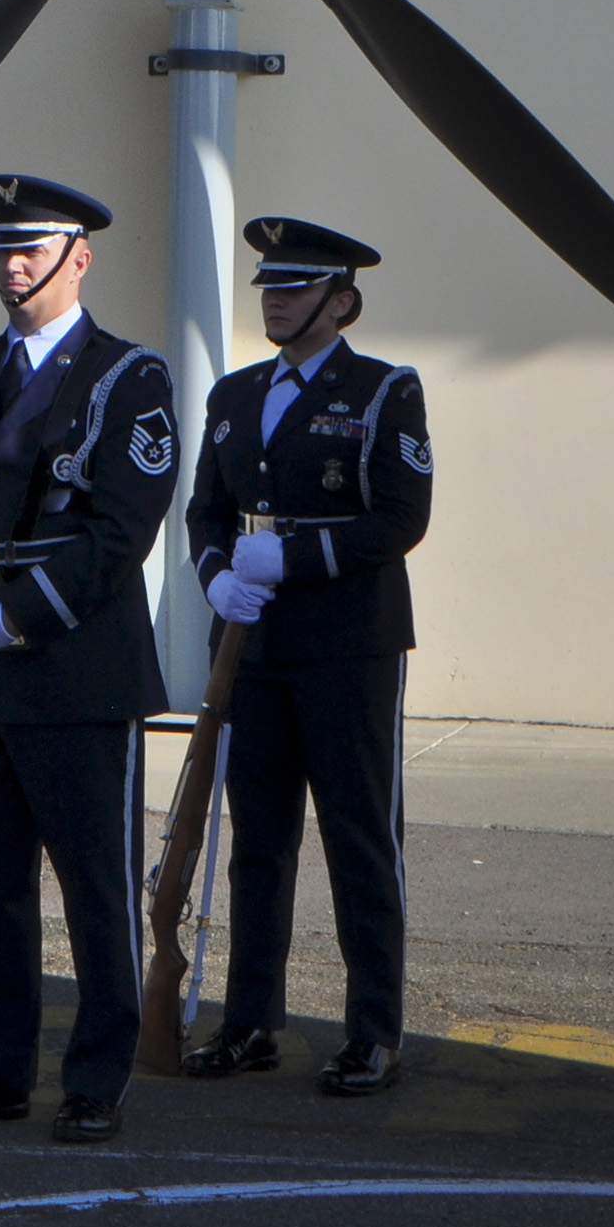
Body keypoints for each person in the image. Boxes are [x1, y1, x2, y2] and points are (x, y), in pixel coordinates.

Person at [0, 175, 177, 1146]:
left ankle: (97, 1076)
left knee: (94, 885)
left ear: (81, 257)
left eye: (33, 248)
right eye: (2, 248)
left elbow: (118, 533)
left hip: (72, 667)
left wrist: (17, 616)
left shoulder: (127, 377)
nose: (14, 264)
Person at [182, 217, 433, 1099]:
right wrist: (216, 578)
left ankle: (375, 1032)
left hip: (346, 645)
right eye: (269, 285)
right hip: (252, 645)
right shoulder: (234, 393)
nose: (276, 298)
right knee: (259, 838)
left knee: (361, 840)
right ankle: (251, 1018)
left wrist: (294, 556)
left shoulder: (383, 391)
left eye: (296, 287)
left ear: (343, 301)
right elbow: (204, 514)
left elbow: (401, 519)